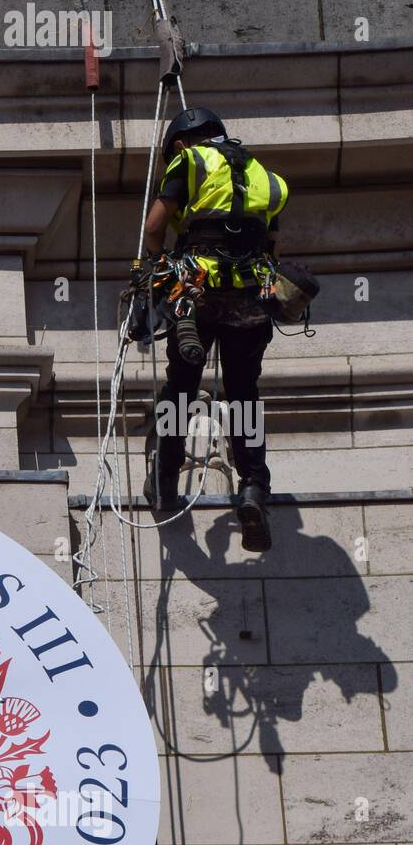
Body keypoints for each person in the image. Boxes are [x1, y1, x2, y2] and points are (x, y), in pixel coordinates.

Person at [138, 107, 287, 552]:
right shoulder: (266, 176)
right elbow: (273, 247)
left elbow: (154, 226)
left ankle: (165, 481)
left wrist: (156, 266)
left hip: (198, 294)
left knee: (180, 390)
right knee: (244, 394)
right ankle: (254, 487)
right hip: (252, 302)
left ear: (183, 142)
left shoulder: (190, 161)